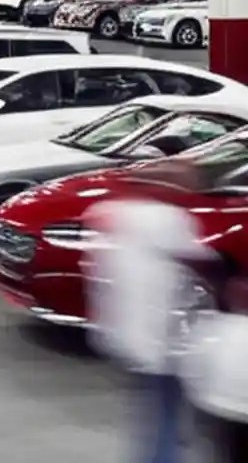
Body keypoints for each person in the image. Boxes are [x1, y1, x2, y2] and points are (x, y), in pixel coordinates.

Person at [84, 160, 213, 463]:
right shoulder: (167, 219)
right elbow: (200, 258)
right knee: (167, 411)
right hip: (161, 338)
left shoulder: (114, 214)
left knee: (155, 409)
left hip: (128, 334)